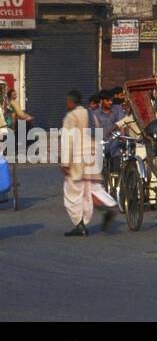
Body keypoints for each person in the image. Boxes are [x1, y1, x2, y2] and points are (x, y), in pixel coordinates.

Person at [59, 90, 116, 235]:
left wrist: (65, 163)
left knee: (73, 193)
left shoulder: (71, 117)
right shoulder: (91, 114)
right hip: (92, 156)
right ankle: (108, 206)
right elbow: (98, 135)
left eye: (67, 101)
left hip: (77, 159)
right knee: (92, 189)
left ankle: (79, 224)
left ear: (71, 102)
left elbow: (67, 141)